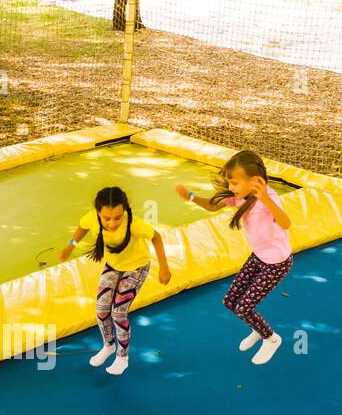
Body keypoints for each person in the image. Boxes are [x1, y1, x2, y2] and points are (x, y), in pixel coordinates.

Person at [176, 150, 292, 364]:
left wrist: (265, 198)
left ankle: (272, 338)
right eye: (230, 183)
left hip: (276, 263)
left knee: (244, 307)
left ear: (255, 181)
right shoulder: (241, 198)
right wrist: (190, 196)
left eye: (235, 183)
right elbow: (212, 206)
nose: (231, 188)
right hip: (259, 257)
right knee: (230, 301)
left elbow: (286, 223)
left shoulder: (270, 199)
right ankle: (257, 330)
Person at [59, 186, 171, 375]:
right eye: (107, 218)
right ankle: (109, 346)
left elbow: (156, 237)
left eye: (117, 217)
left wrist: (164, 267)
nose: (112, 223)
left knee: (118, 311)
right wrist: (69, 247)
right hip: (113, 266)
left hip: (137, 267)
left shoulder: (133, 224)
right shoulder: (91, 218)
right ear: (98, 213)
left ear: (125, 211)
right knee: (101, 309)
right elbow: (81, 229)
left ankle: (122, 357)